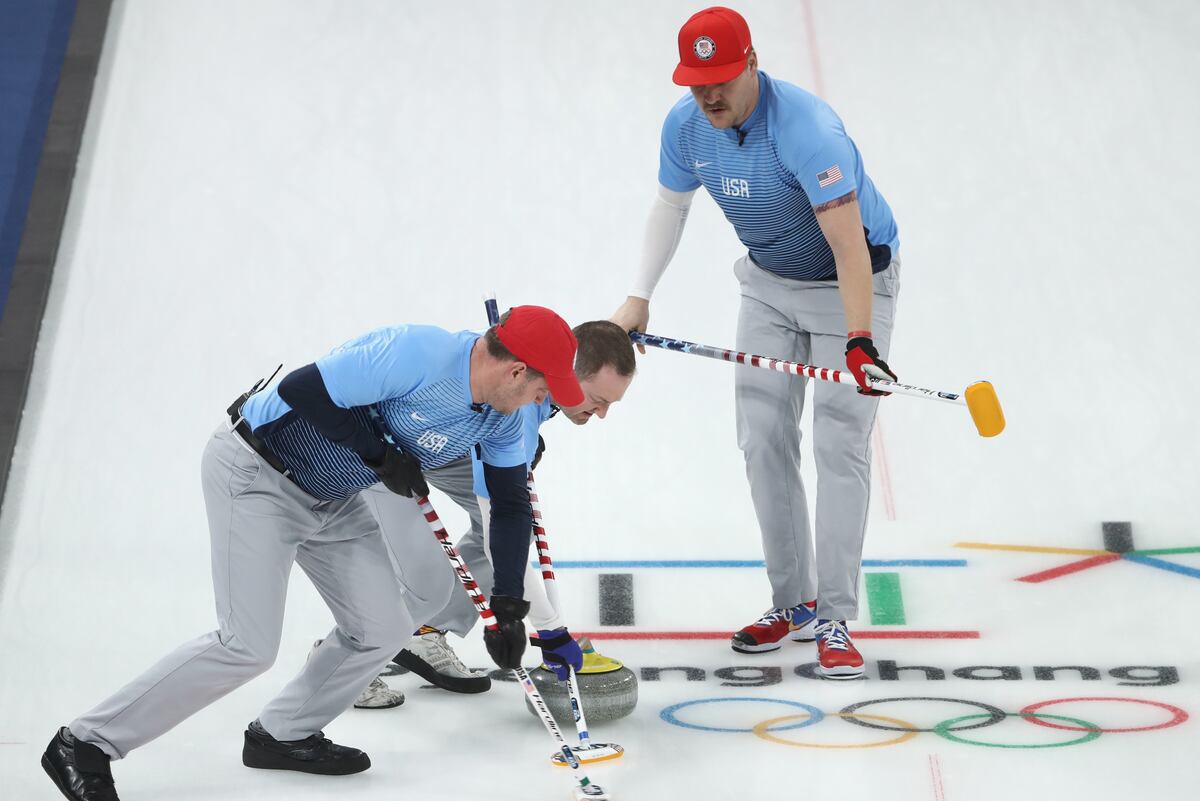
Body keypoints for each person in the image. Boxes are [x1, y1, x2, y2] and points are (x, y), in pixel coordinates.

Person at [41, 306, 582, 800]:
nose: (543, 404)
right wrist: (380, 454)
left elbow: (509, 507)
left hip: (334, 497)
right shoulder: (419, 352)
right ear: (516, 372)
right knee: (245, 645)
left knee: (384, 625)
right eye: (543, 391)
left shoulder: (506, 417)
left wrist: (508, 606)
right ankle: (84, 743)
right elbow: (305, 388)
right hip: (257, 475)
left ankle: (283, 734)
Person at [610, 6, 901, 680]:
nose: (708, 95)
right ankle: (792, 602)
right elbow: (670, 207)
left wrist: (859, 338)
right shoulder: (686, 128)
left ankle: (834, 616)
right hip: (767, 284)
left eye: (720, 78)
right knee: (762, 436)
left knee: (837, 440)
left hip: (849, 283)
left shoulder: (808, 131)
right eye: (695, 82)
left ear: (750, 63)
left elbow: (850, 248)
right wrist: (639, 292)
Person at [353, 320, 637, 704]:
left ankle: (425, 633)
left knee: (508, 539)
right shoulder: (518, 408)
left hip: (445, 445)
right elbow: (497, 522)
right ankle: (351, 654)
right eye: (597, 399)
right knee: (433, 581)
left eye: (610, 403)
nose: (601, 413)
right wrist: (550, 628)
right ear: (565, 375)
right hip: (379, 449)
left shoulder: (541, 397)